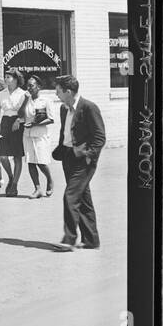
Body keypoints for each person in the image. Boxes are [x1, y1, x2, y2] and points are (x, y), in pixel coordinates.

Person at [52, 75, 105, 249]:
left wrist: (89, 155)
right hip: (68, 157)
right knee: (82, 198)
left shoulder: (89, 107)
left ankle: (69, 239)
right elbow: (65, 132)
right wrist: (61, 149)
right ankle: (91, 240)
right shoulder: (63, 109)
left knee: (70, 196)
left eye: (58, 91)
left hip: (84, 161)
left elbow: (99, 137)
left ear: (68, 91)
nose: (56, 94)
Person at [22, 75, 57, 199]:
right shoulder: (26, 99)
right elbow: (20, 115)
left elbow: (51, 119)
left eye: (31, 85)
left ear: (39, 87)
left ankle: (50, 180)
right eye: (28, 86)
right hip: (28, 135)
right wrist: (25, 101)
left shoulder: (46, 100)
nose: (29, 88)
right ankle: (37, 189)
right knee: (31, 162)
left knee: (41, 162)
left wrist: (35, 124)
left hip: (41, 135)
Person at [0, 69, 28, 197]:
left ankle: (14, 185)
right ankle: (10, 177)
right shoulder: (1, 94)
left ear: (15, 79)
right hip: (4, 123)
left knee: (16, 156)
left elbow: (26, 112)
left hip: (17, 124)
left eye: (8, 77)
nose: (6, 79)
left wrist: (19, 121)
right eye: (5, 76)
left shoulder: (23, 94)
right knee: (3, 156)